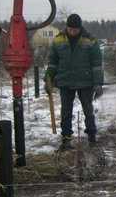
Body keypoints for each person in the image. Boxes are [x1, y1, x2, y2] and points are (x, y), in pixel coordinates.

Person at [44, 14, 104, 150]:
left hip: (85, 81)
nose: (72, 32)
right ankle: (66, 139)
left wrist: (98, 83)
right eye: (70, 29)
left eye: (75, 29)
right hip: (65, 81)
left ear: (80, 28)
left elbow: (96, 64)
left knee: (88, 109)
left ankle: (92, 137)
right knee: (65, 111)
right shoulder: (58, 40)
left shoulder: (90, 40)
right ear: (67, 27)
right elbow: (53, 62)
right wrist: (48, 79)